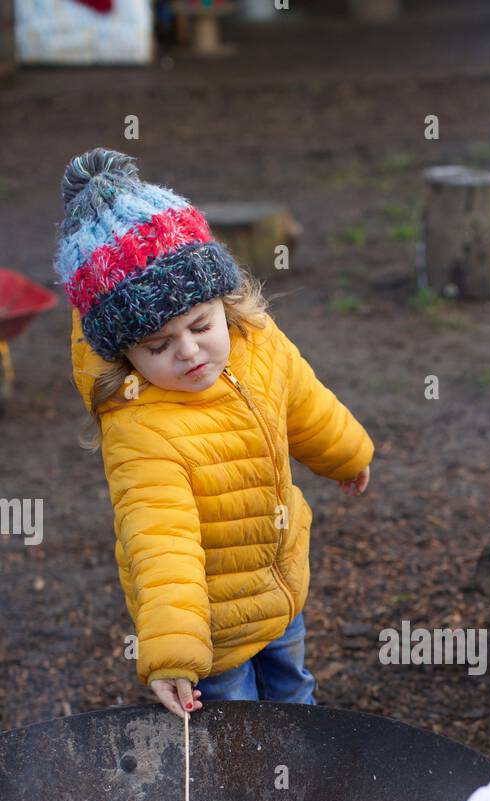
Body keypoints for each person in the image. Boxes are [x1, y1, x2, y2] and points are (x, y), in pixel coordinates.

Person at [54, 147, 373, 718]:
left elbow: (304, 402)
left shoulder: (256, 342)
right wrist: (176, 654)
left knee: (294, 695)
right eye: (158, 346)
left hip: (279, 585)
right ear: (122, 354)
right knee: (233, 729)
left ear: (224, 303)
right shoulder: (141, 428)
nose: (190, 351)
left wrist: (347, 454)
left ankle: (298, 787)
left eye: (201, 325)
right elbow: (159, 544)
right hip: (210, 626)